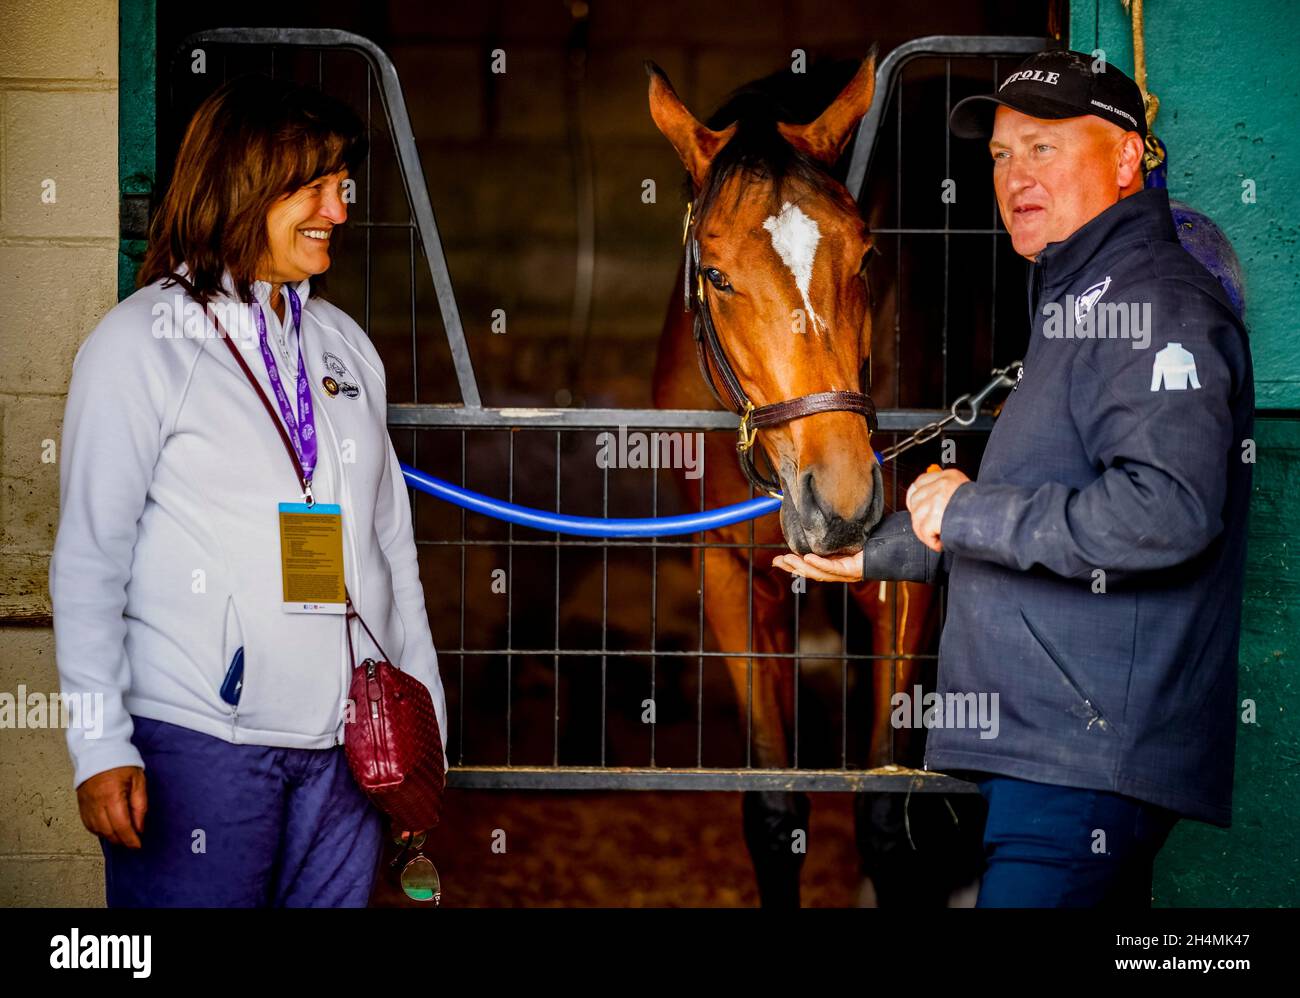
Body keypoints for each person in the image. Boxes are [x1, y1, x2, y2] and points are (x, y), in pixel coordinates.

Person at [774, 50, 1254, 907]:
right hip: (1055, 760)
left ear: (1125, 158)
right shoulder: (1078, 298)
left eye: (1044, 148)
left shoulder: (1154, 305)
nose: (1013, 175)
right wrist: (881, 551)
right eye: (1000, 154)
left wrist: (968, 510)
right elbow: (1054, 507)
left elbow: (1166, 514)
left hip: (1082, 765)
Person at [50, 75, 447, 907]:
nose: (338, 210)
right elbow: (90, 560)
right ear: (240, 186)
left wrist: (426, 729)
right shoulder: (138, 344)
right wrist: (98, 744)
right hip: (197, 743)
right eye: (312, 187)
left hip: (349, 751)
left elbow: (391, 552)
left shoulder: (345, 347)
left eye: (340, 186)